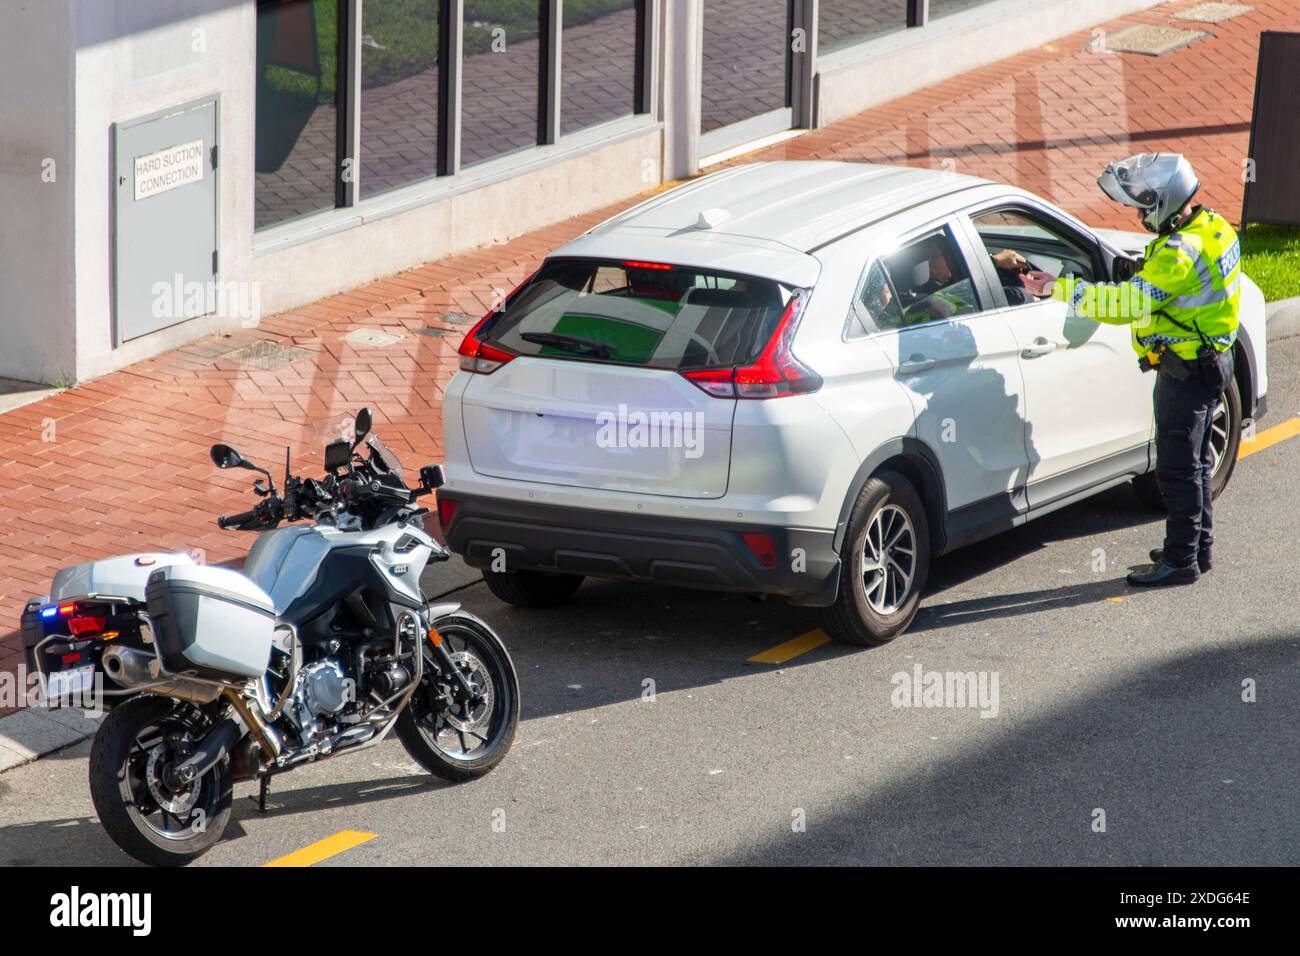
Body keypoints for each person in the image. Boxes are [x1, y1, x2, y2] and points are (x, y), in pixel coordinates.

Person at [1053, 153, 1240, 587]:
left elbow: (1127, 305)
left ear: (1167, 202)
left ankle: (1179, 561)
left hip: (1187, 372)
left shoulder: (1177, 254)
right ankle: (1197, 548)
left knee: (1176, 469)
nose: (1138, 214)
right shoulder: (1215, 228)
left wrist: (1062, 288)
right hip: (1214, 362)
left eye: (1143, 206)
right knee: (1194, 465)